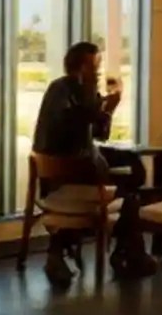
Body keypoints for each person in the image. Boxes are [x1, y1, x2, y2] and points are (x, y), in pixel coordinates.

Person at [31, 41, 154, 287]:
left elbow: (99, 133)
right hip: (67, 174)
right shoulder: (65, 91)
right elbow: (77, 130)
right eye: (94, 67)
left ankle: (123, 247)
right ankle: (127, 250)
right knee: (130, 193)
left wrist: (108, 108)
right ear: (78, 68)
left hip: (73, 165)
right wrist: (106, 109)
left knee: (134, 165)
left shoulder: (76, 90)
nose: (98, 73)